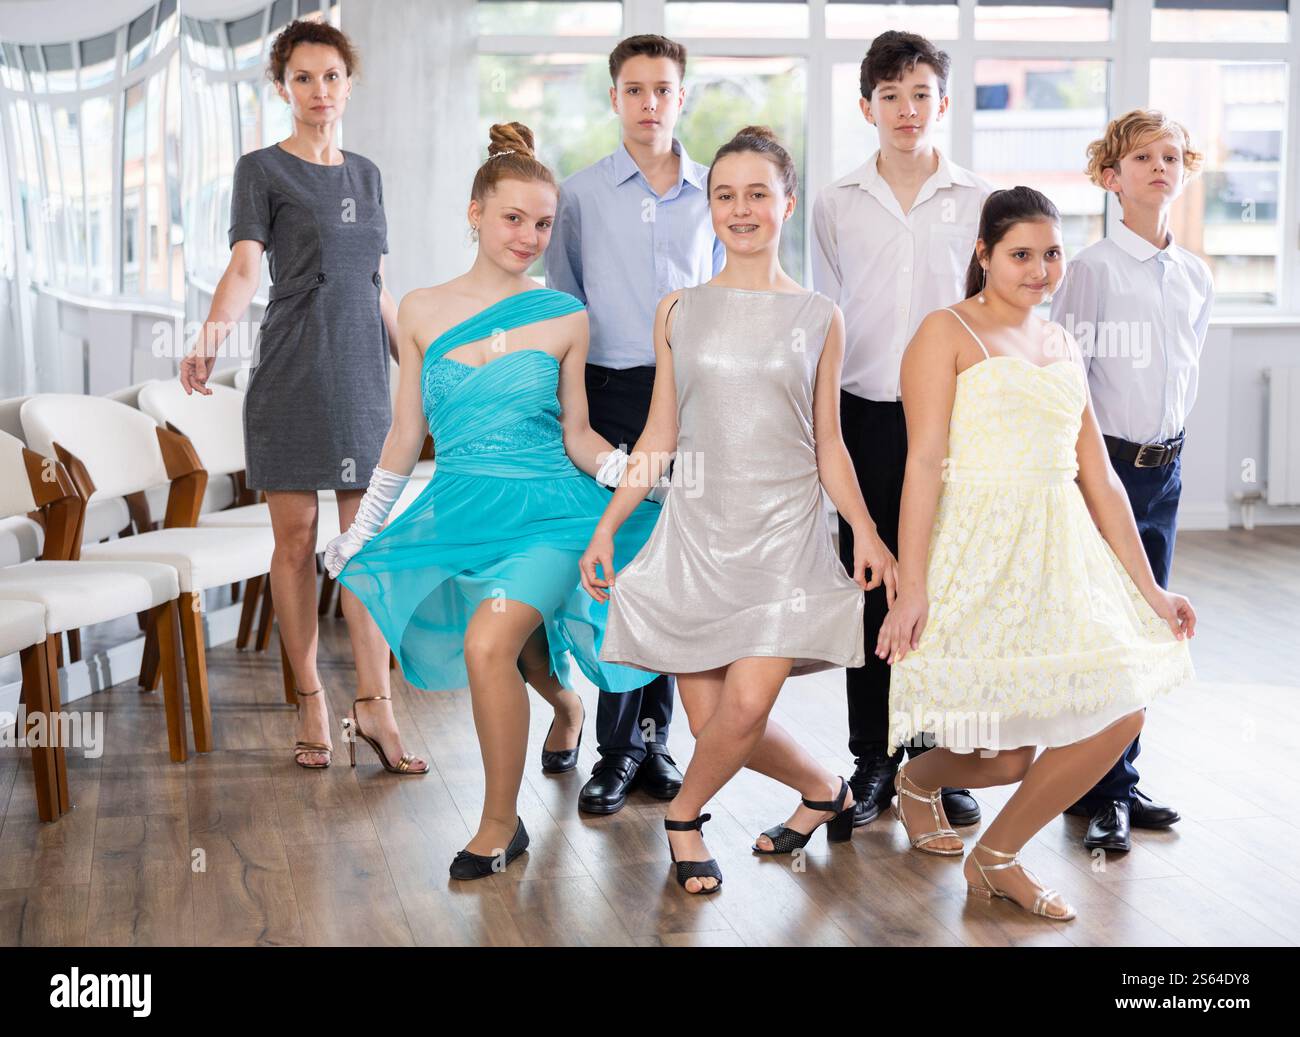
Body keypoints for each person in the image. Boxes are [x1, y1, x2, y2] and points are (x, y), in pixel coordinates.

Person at [328, 123, 664, 880]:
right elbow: (404, 434)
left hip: (550, 512)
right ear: (474, 211)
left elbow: (578, 433)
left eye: (543, 224)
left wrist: (633, 474)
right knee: (523, 651)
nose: (529, 236)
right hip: (458, 510)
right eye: (513, 217)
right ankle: (567, 709)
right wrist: (361, 530)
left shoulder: (564, 315)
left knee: (487, 643)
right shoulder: (417, 308)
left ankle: (497, 823)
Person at [581, 127, 897, 895]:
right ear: (709, 208)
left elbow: (830, 445)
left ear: (787, 203)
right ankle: (826, 789)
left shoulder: (820, 315)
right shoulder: (678, 310)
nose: (741, 208)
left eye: (759, 193)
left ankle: (684, 817)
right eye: (725, 194)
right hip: (697, 535)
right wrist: (608, 525)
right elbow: (659, 435)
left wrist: (866, 529)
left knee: (749, 701)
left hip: (783, 535)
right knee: (714, 720)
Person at [878, 186, 1197, 922]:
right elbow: (923, 463)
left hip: (1061, 550)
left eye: (1051, 253)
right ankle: (917, 781)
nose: (1039, 269)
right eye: (1020, 254)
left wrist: (1152, 591)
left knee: (1121, 704)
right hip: (982, 550)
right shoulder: (945, 331)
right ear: (983, 254)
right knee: (1008, 755)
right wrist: (913, 585)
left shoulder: (1062, 342)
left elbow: (1103, 478)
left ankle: (996, 856)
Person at [180, 19, 424, 774]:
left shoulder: (368, 174)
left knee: (365, 546)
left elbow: (377, 283)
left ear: (349, 84)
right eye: (303, 78)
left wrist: (415, 362)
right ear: (283, 87)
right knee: (293, 543)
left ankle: (376, 707)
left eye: (331, 76)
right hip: (290, 367)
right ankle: (311, 697)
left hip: (360, 374)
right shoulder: (261, 169)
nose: (319, 91)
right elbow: (247, 266)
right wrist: (212, 333)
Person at [810, 31, 992, 828]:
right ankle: (873, 758)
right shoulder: (834, 202)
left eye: (921, 94)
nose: (907, 109)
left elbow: (991, 311)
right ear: (866, 107)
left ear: (942, 103)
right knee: (871, 583)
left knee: (944, 585)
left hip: (952, 420)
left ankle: (933, 758)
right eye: (890, 96)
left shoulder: (979, 200)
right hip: (864, 415)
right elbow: (827, 313)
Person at [545, 34, 725, 815]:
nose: (650, 103)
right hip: (612, 392)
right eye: (634, 90)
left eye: (663, 89)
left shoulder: (718, 190)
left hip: (693, 391)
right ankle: (615, 750)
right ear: (614, 98)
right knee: (622, 562)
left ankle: (657, 741)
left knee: (675, 563)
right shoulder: (580, 195)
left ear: (682, 97)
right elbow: (565, 299)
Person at [1051, 109, 1213, 853]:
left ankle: (1120, 777)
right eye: (1142, 157)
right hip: (1106, 470)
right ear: (1111, 177)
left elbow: (1183, 373)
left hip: (1165, 469)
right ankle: (1097, 790)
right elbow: (1067, 374)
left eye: (1172, 156)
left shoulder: (1195, 276)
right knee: (1104, 631)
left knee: (1148, 626)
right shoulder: (1090, 269)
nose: (1160, 167)